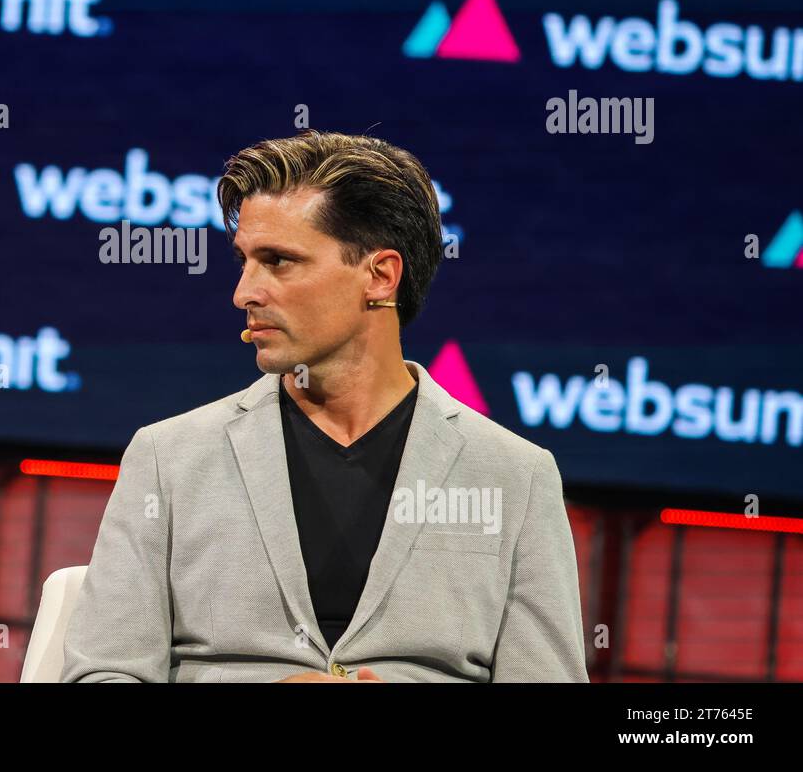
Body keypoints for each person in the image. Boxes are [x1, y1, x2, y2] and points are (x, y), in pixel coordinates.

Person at [60, 129, 588, 682]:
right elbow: (101, 675)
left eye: (280, 261)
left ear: (380, 277)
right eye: (244, 260)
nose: (244, 292)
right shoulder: (169, 458)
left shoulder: (516, 476)